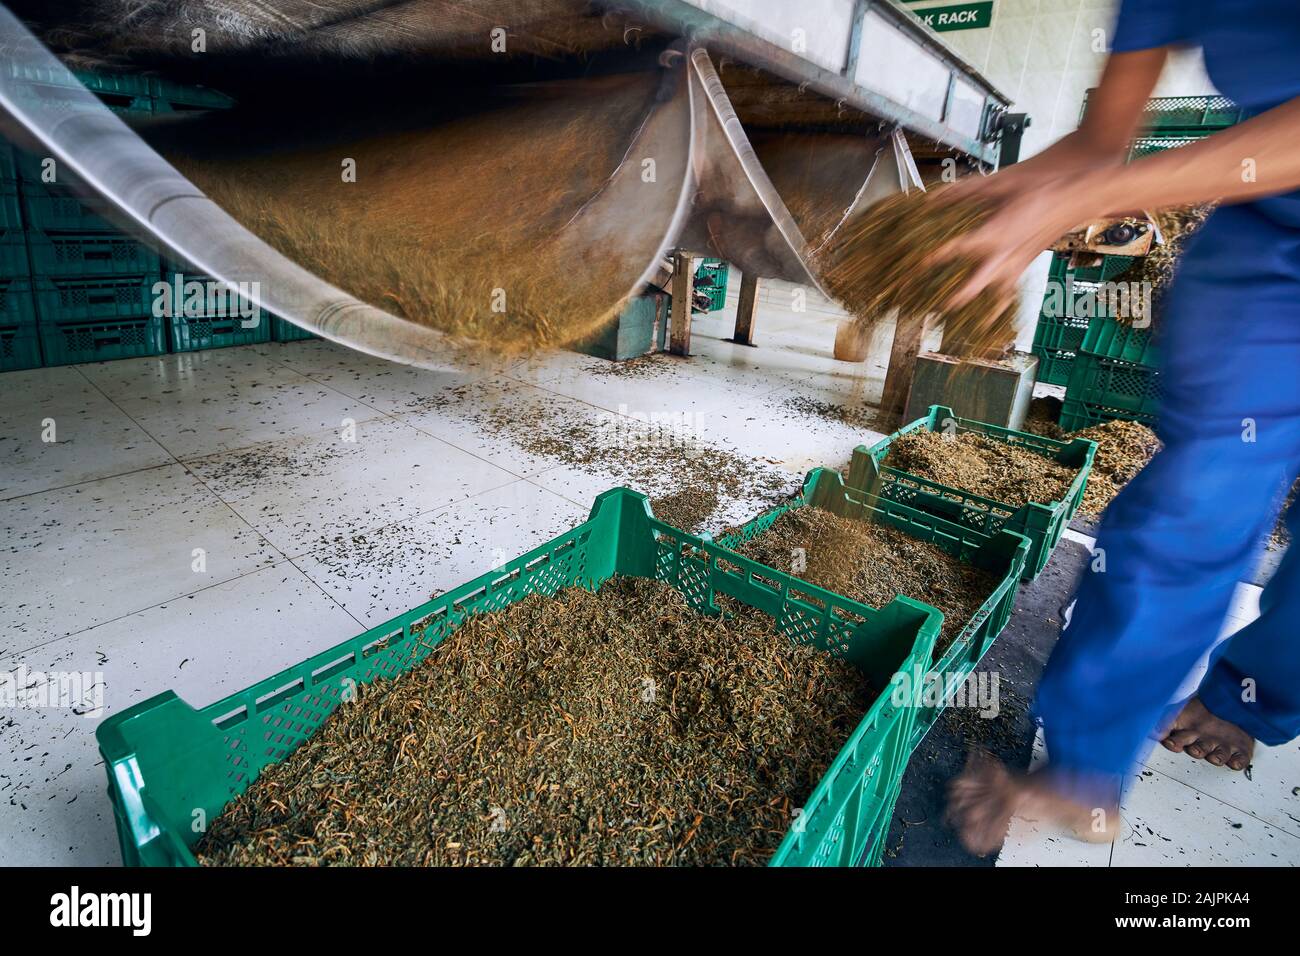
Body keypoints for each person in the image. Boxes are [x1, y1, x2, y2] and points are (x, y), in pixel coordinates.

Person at [934, 0, 1300, 854]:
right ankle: (1085, 773)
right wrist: (1017, 193)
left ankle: (1257, 692)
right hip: (1272, 236)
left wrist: (1102, 193)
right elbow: (1103, 141)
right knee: (1198, 493)